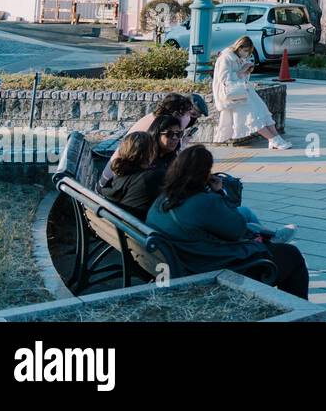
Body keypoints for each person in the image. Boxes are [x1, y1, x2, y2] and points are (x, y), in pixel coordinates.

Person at [146, 145, 309, 299]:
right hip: (206, 268)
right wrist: (220, 193)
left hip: (183, 261)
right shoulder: (204, 202)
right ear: (203, 174)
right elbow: (237, 228)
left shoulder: (163, 199)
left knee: (276, 247)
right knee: (292, 255)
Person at [212, 36, 292, 149]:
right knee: (253, 116)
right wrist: (242, 70)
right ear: (239, 48)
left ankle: (277, 138)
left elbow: (242, 78)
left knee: (263, 110)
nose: (246, 54)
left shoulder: (239, 57)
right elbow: (224, 80)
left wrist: (247, 70)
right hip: (232, 94)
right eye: (245, 51)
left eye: (248, 52)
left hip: (242, 90)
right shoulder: (226, 58)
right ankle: (273, 139)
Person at [97, 131, 164, 221]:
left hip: (119, 227)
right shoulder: (150, 177)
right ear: (150, 152)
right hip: (137, 232)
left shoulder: (119, 176)